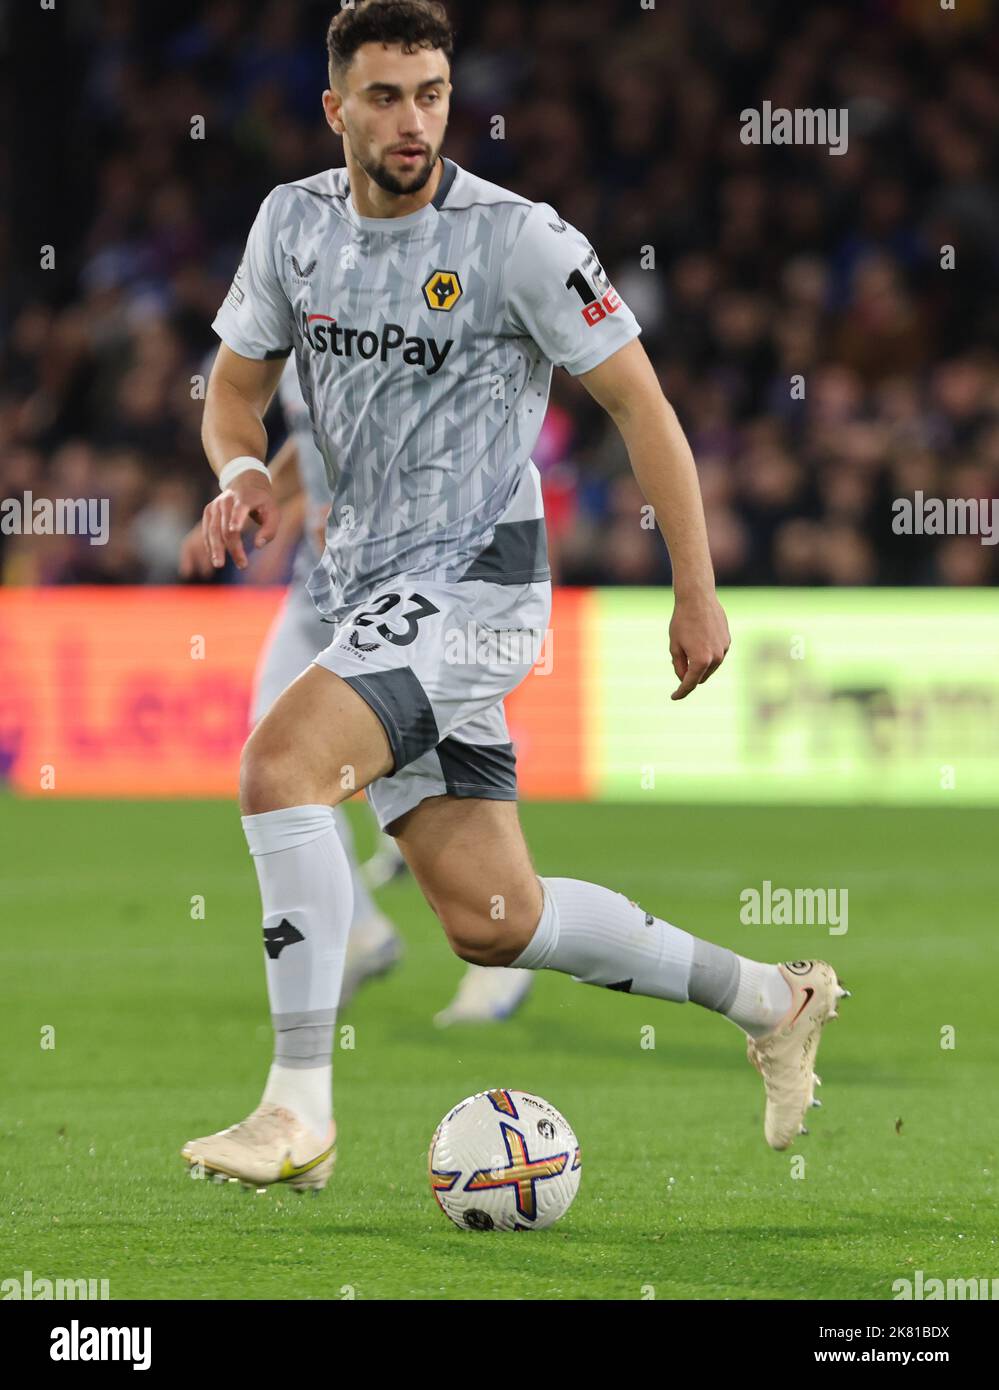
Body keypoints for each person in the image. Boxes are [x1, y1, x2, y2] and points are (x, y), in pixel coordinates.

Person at [182, 0, 846, 1194]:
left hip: (477, 592)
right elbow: (232, 389)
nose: (412, 119)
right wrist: (239, 473)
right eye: (384, 96)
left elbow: (642, 406)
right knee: (495, 917)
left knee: (279, 764)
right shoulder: (292, 226)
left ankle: (295, 1110)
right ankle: (777, 999)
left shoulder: (520, 242)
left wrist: (696, 590)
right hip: (368, 591)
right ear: (335, 109)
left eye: (431, 93)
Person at [180, 354, 534, 1022]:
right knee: (273, 764)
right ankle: (360, 931)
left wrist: (364, 523)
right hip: (318, 593)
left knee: (439, 789)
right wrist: (257, 497)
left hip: (411, 597)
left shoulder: (382, 311)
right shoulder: (298, 322)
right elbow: (311, 443)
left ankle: (499, 957)